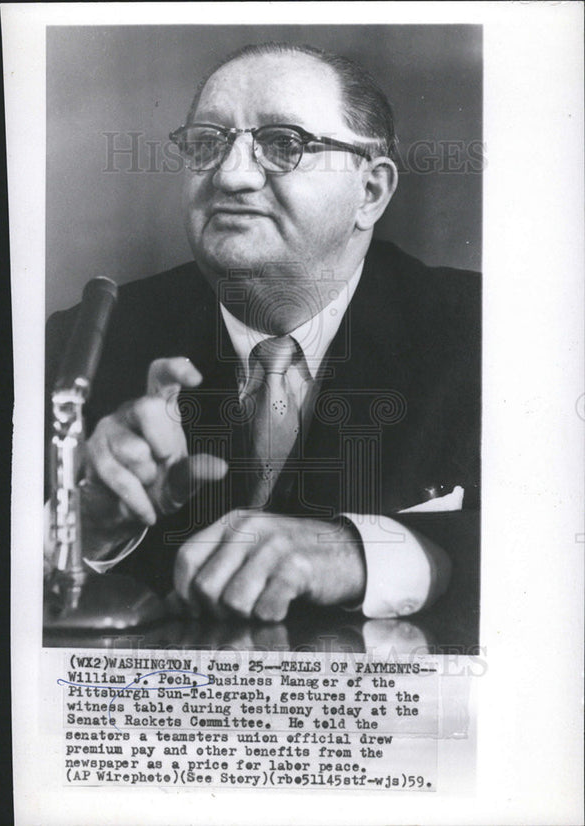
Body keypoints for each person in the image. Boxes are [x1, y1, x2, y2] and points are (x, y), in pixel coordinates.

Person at [45, 42, 481, 624]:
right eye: (207, 143)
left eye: (284, 145)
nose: (232, 174)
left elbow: (551, 550)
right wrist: (87, 526)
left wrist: (363, 553)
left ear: (370, 192)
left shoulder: (481, 332)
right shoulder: (87, 343)